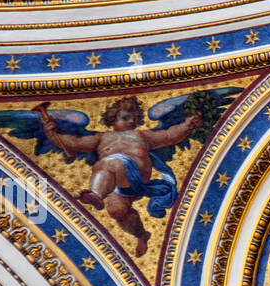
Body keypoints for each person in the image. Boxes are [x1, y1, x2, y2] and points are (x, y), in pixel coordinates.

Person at [42, 96, 199, 256]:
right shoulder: (101, 138)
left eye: (133, 118)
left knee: (110, 162)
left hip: (135, 176)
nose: (131, 121)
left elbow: (168, 135)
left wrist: (187, 124)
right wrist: (52, 135)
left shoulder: (141, 135)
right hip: (118, 184)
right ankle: (141, 234)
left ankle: (96, 194)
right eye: (125, 117)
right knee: (116, 210)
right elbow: (75, 143)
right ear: (112, 119)